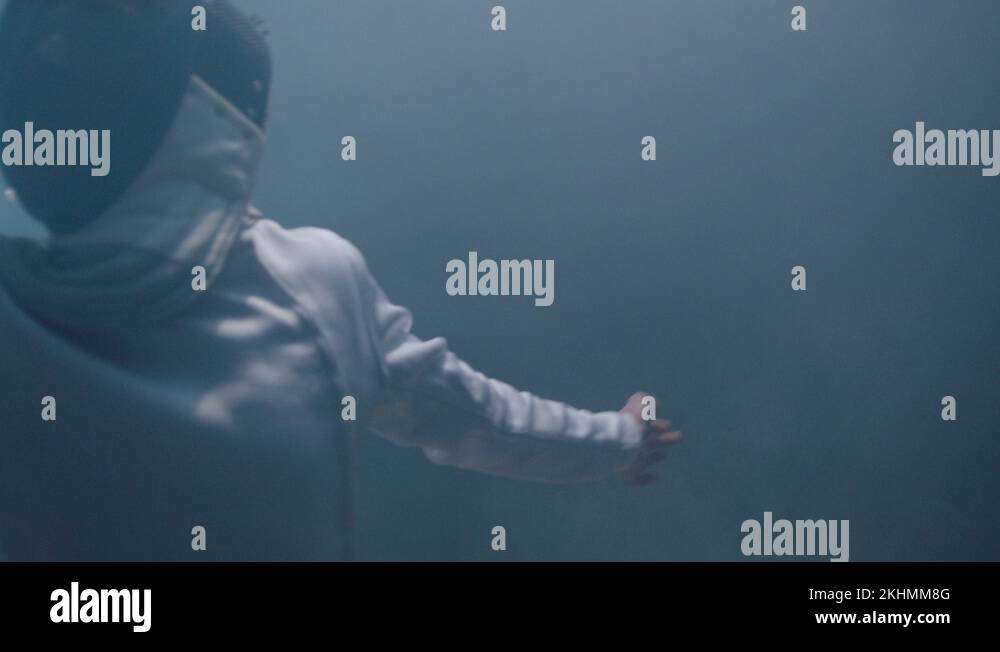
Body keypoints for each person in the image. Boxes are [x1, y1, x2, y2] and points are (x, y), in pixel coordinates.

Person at [0, 0, 681, 560]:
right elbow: (477, 418)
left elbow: (476, 416)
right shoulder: (314, 282)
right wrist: (619, 439)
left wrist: (617, 439)